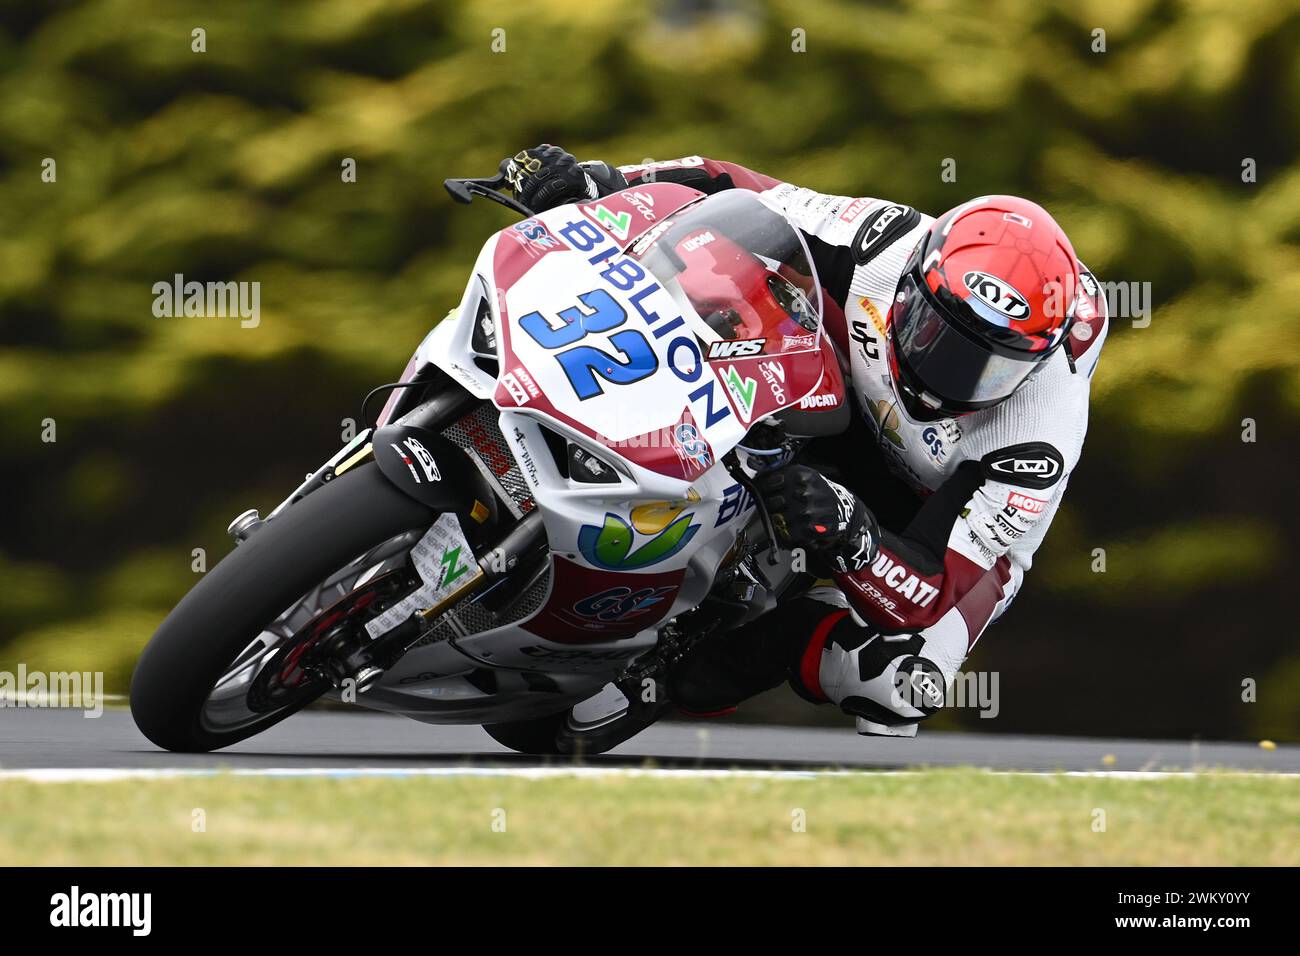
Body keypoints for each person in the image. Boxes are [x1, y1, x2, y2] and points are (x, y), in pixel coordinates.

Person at [504, 144, 1109, 737]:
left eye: (989, 367)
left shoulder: (1035, 439)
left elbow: (925, 590)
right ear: (909, 287)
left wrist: (855, 534)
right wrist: (598, 182)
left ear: (1033, 365)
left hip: (929, 515)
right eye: (936, 334)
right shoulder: (883, 242)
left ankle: (682, 662)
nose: (944, 378)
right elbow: (733, 190)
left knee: (898, 684)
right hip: (831, 404)